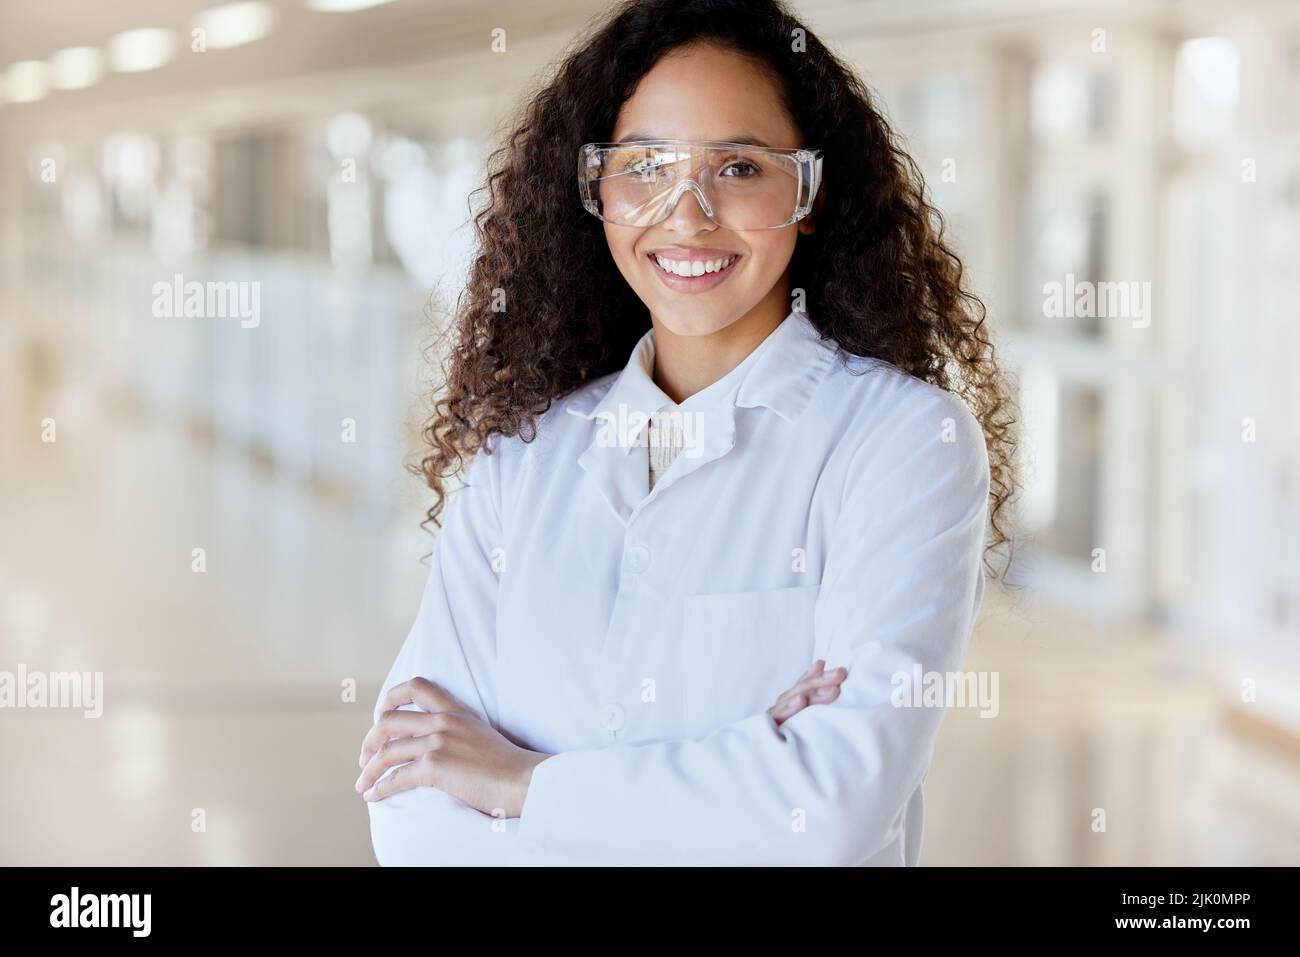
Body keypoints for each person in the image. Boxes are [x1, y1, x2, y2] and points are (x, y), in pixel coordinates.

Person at [355, 0, 1016, 865]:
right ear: (596, 190)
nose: (687, 214)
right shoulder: (521, 458)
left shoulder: (903, 443)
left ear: (809, 194)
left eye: (740, 168)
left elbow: (830, 812)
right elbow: (411, 805)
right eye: (645, 167)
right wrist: (739, 768)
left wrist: (522, 782)